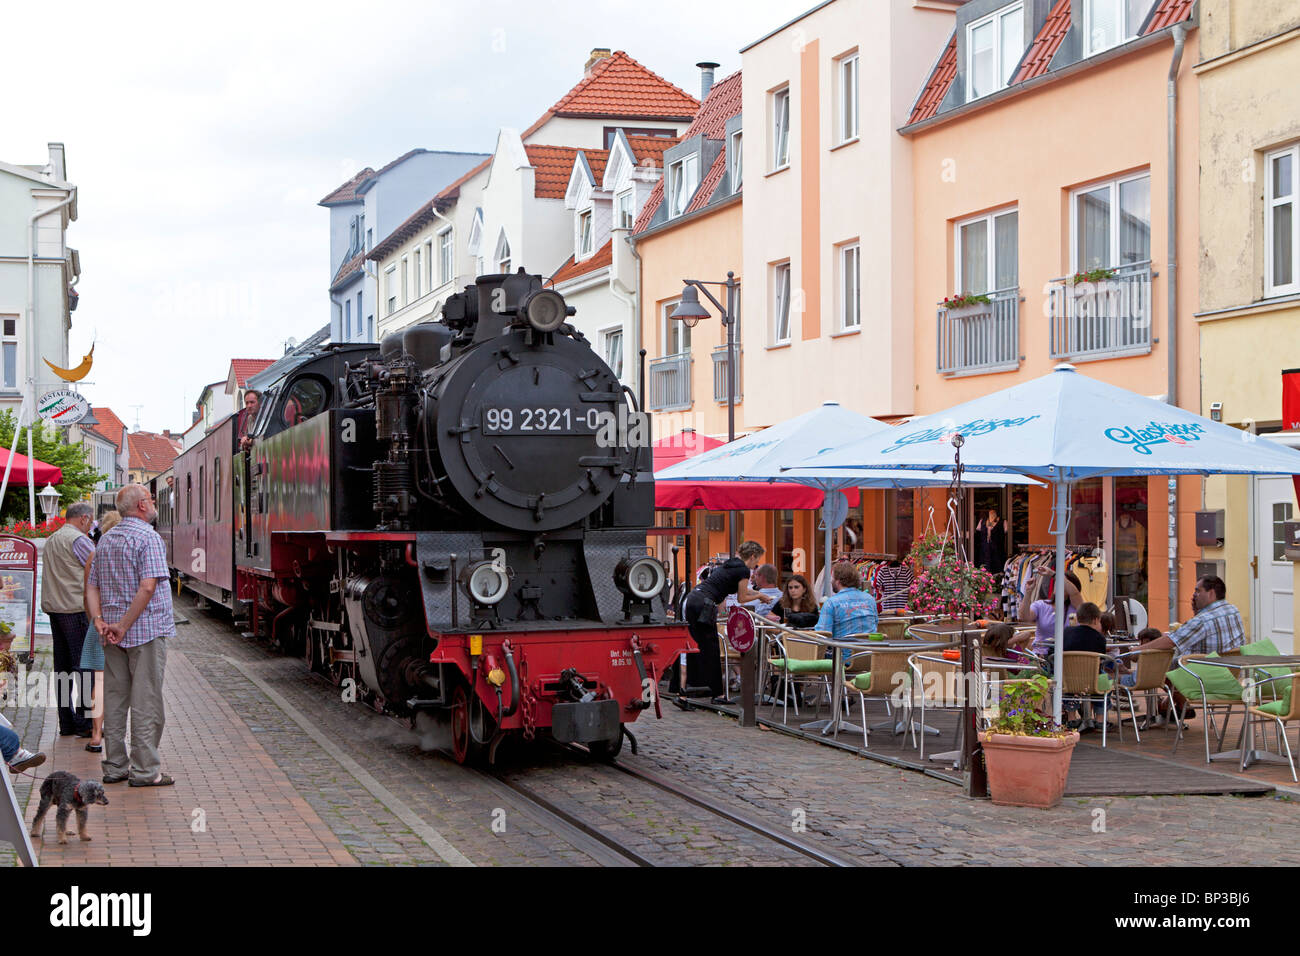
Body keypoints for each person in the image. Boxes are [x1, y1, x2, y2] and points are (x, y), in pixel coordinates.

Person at [85, 484, 175, 787]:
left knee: (114, 699)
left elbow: (91, 585)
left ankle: (114, 766)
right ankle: (145, 771)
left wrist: (99, 620)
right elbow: (148, 587)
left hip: (110, 633)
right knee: (146, 701)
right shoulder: (149, 538)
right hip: (145, 631)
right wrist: (124, 624)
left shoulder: (106, 539)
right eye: (150, 500)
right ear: (141, 506)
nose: (153, 504)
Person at [680, 541, 768, 703]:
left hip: (693, 599)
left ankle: (685, 692)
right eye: (757, 560)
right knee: (711, 648)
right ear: (753, 556)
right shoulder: (743, 570)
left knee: (694, 645)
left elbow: (742, 590)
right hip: (704, 604)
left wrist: (756, 593)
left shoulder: (730, 565)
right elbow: (742, 598)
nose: (757, 565)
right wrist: (760, 596)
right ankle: (715, 694)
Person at [40, 501, 97, 740]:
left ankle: (66, 722)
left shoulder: (53, 539)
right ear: (83, 518)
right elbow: (95, 570)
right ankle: (84, 722)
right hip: (74, 608)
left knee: (62, 667)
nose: (91, 526)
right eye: (91, 521)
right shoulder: (79, 540)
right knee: (84, 666)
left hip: (55, 609)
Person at [78, 510, 122, 753]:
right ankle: (119, 737)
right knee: (126, 684)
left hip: (100, 623)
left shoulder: (94, 555)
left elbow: (88, 593)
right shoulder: (130, 552)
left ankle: (96, 736)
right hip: (126, 626)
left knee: (100, 682)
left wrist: (94, 620)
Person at [815, 563, 878, 662]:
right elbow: (875, 625)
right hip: (870, 659)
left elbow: (822, 635)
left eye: (832, 578)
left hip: (844, 661)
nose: (831, 581)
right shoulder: (870, 600)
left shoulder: (831, 603)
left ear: (838, 581)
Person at [1018, 567, 1083, 658]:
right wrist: (1028, 592)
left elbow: (1075, 594)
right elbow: (1024, 617)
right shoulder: (1042, 605)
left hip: (1069, 657)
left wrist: (1053, 574)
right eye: (1057, 581)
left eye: (1063, 582)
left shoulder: (1077, 607)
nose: (1058, 584)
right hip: (1042, 657)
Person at [974, 509, 1008, 577]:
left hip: (998, 550)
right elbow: (978, 531)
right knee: (985, 568)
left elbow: (1005, 532)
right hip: (984, 550)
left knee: (998, 569)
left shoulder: (1003, 522)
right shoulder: (982, 521)